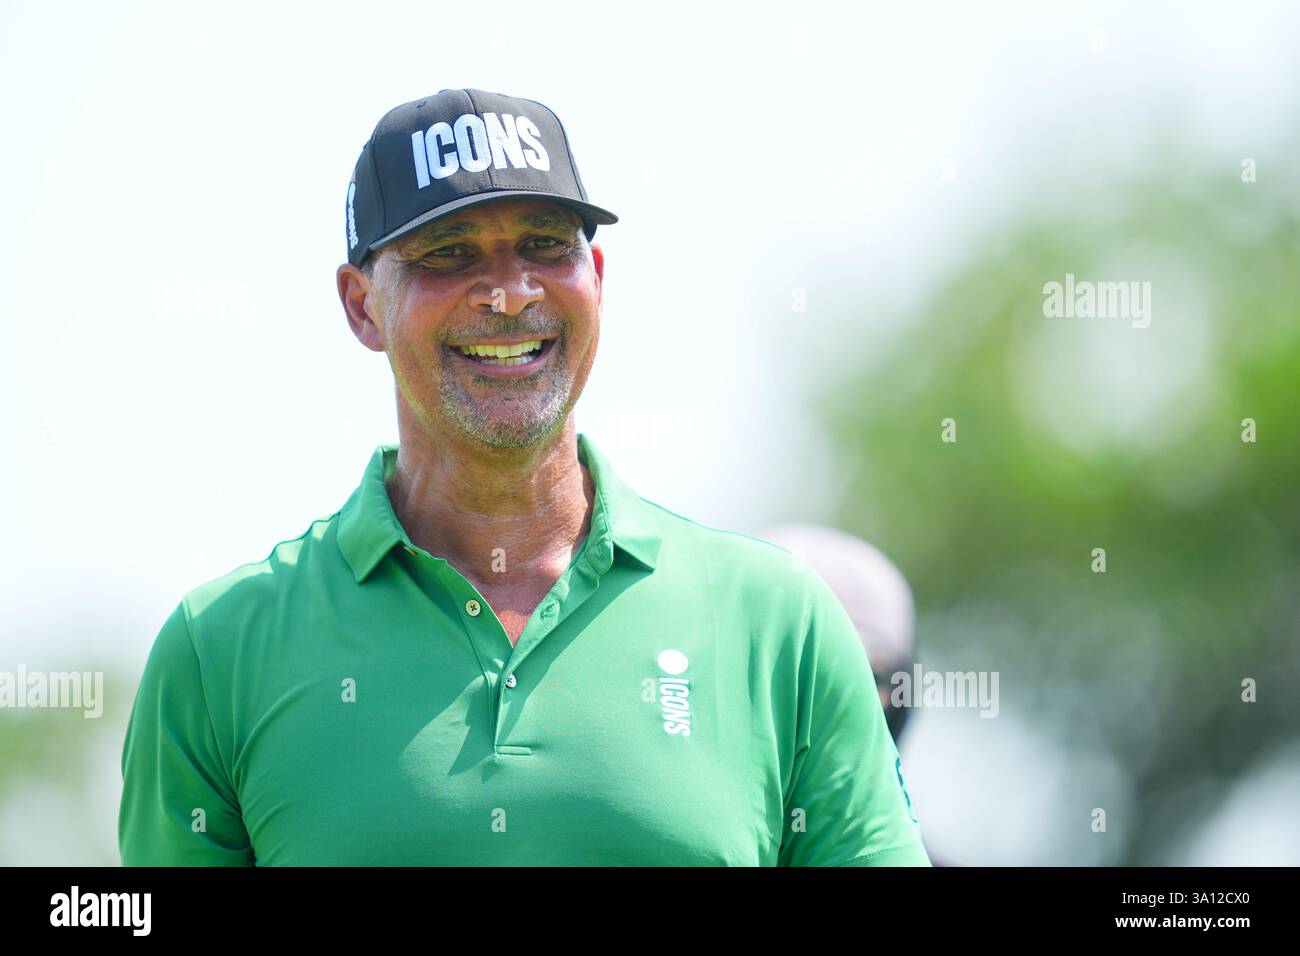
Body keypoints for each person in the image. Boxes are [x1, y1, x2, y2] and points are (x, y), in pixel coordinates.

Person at [118, 88, 931, 866]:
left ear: (598, 279)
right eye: (449, 253)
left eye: (546, 244)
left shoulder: (781, 622)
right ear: (362, 305)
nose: (510, 293)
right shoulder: (220, 649)